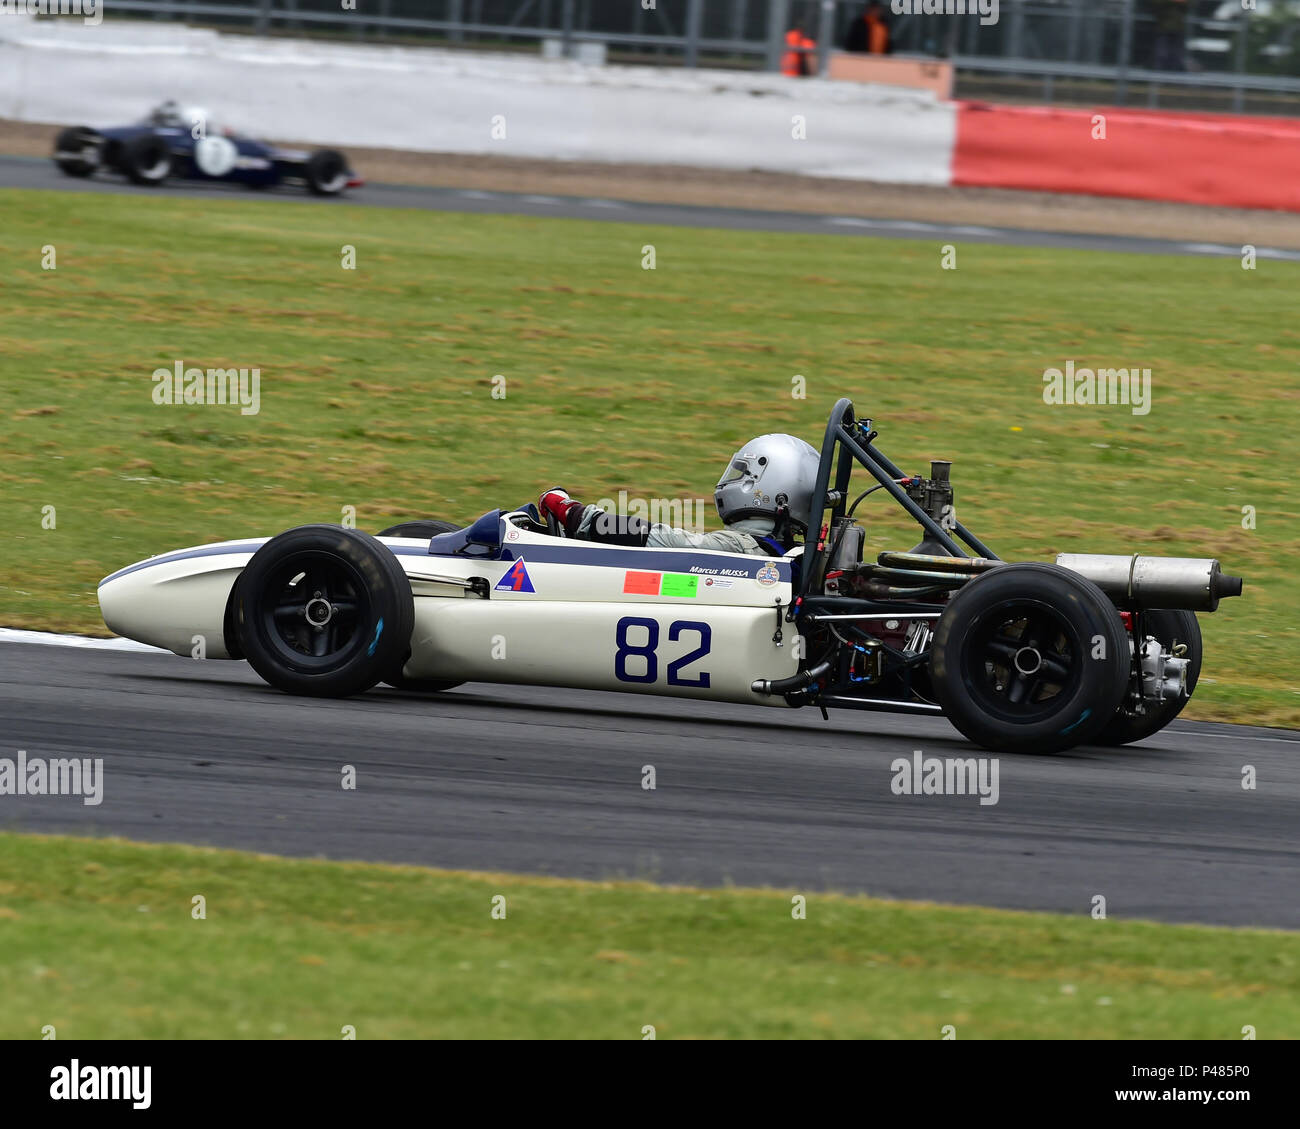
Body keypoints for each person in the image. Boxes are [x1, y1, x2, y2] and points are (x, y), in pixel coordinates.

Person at [537, 433, 821, 557]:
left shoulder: (737, 548)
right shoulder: (794, 553)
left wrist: (575, 514)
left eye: (742, 473)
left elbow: (656, 538)